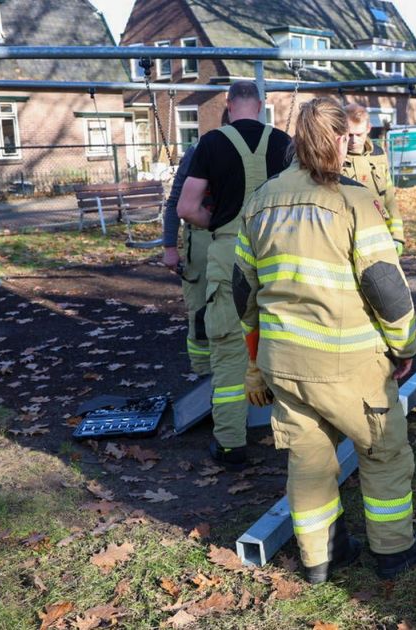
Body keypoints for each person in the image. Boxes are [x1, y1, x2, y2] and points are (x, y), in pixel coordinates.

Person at [232, 97, 416, 583]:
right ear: (342, 140)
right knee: (383, 452)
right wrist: (404, 348)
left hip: (284, 364)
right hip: (349, 363)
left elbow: (243, 292)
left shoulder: (261, 201)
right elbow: (386, 286)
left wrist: (256, 365)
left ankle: (319, 558)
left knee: (309, 460)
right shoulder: (355, 199)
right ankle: (393, 550)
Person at [176, 81, 292, 468]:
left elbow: (187, 207)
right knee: (287, 336)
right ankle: (296, 436)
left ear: (228, 106)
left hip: (229, 253)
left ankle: (230, 444)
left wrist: (219, 225)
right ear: (260, 106)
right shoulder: (284, 142)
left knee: (229, 345)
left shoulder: (210, 143)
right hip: (279, 252)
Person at [162, 140, 213, 376]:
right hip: (203, 240)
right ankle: (204, 371)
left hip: (235, 238)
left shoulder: (263, 144)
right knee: (202, 311)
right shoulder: (200, 151)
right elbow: (175, 202)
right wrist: (170, 246)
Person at [340, 103, 405, 254]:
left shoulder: (378, 155)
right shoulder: (334, 157)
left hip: (379, 236)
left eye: (359, 134)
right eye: (349, 135)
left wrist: (397, 237)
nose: (353, 140)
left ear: (368, 129)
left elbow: (389, 199)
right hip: (348, 239)